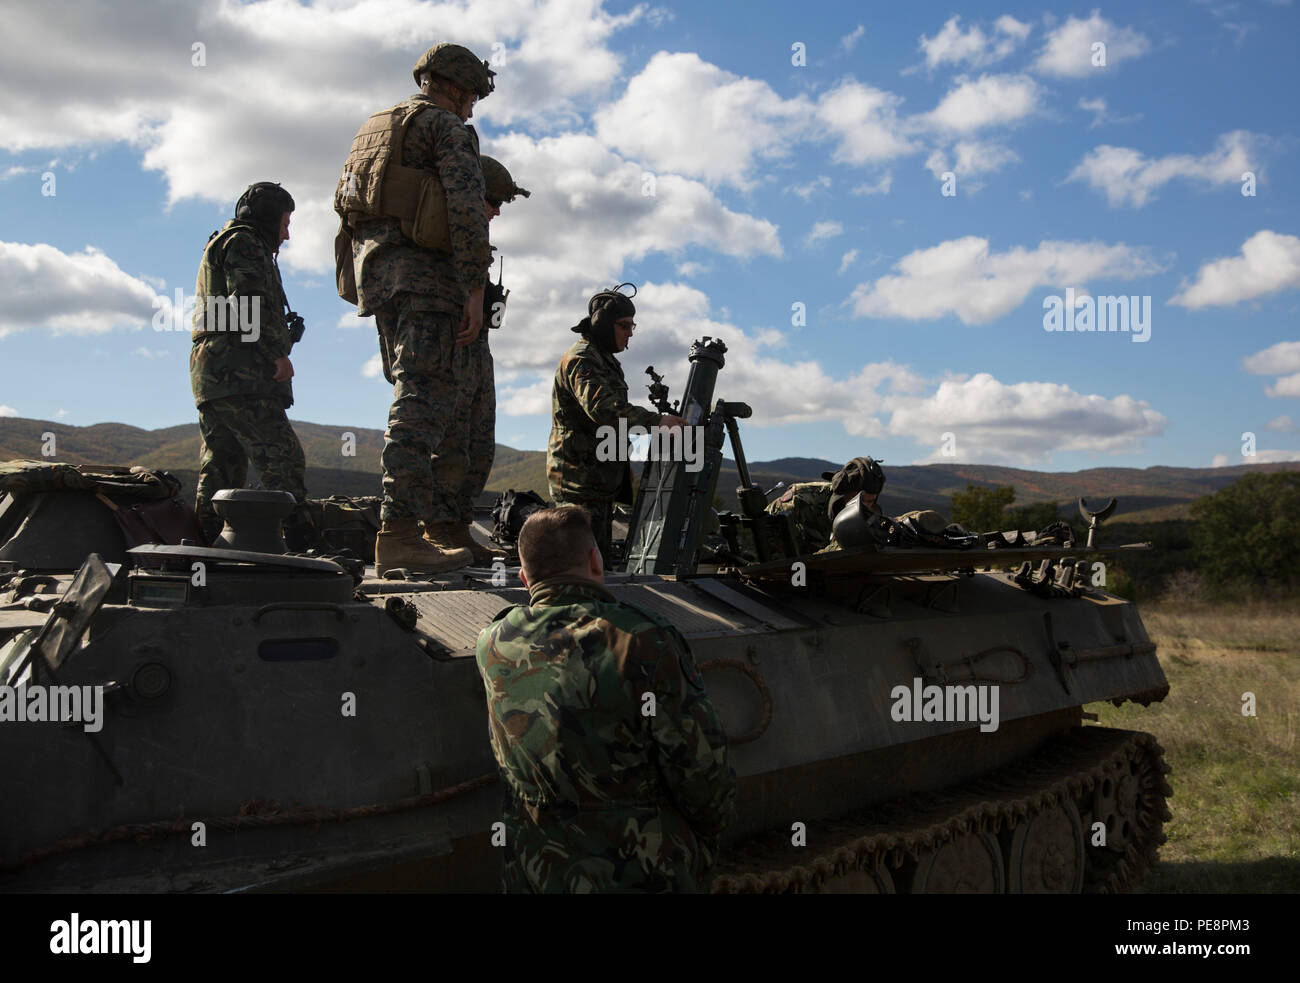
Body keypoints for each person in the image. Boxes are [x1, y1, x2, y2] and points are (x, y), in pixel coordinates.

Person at [475, 505, 735, 892]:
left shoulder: (491, 642)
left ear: (524, 577)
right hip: (639, 871)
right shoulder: (643, 638)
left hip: (534, 870)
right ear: (596, 560)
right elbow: (700, 773)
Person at [338, 42, 495, 575]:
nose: (471, 106)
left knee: (422, 400)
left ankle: (437, 528)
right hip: (430, 282)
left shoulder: (377, 127)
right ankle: (400, 532)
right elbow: (467, 210)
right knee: (424, 404)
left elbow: (348, 206)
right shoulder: (447, 130)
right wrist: (474, 285)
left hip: (381, 277)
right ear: (452, 85)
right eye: (471, 94)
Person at [190, 181, 319, 550]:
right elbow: (247, 302)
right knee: (282, 456)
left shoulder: (224, 241)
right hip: (241, 372)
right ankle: (299, 544)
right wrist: (275, 353)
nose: (287, 234)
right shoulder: (246, 242)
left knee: (222, 463)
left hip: (212, 373)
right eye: (284, 223)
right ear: (266, 219)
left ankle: (204, 548)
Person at [421, 155, 529, 565]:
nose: (497, 211)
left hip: (477, 349)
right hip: (452, 348)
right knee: (450, 443)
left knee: (478, 444)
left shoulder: (475, 243)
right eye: (494, 201)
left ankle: (459, 527)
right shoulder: (442, 236)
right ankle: (436, 528)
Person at [547, 285, 686, 566]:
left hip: (596, 480)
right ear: (602, 325)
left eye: (632, 326)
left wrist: (622, 468)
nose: (630, 333)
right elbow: (602, 410)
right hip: (579, 481)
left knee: (598, 564)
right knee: (584, 568)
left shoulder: (604, 360)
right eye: (624, 326)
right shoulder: (582, 359)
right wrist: (658, 421)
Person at [765, 455, 885, 554]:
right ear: (843, 493)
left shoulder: (869, 512)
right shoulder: (801, 500)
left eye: (870, 502)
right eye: (859, 500)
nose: (865, 507)